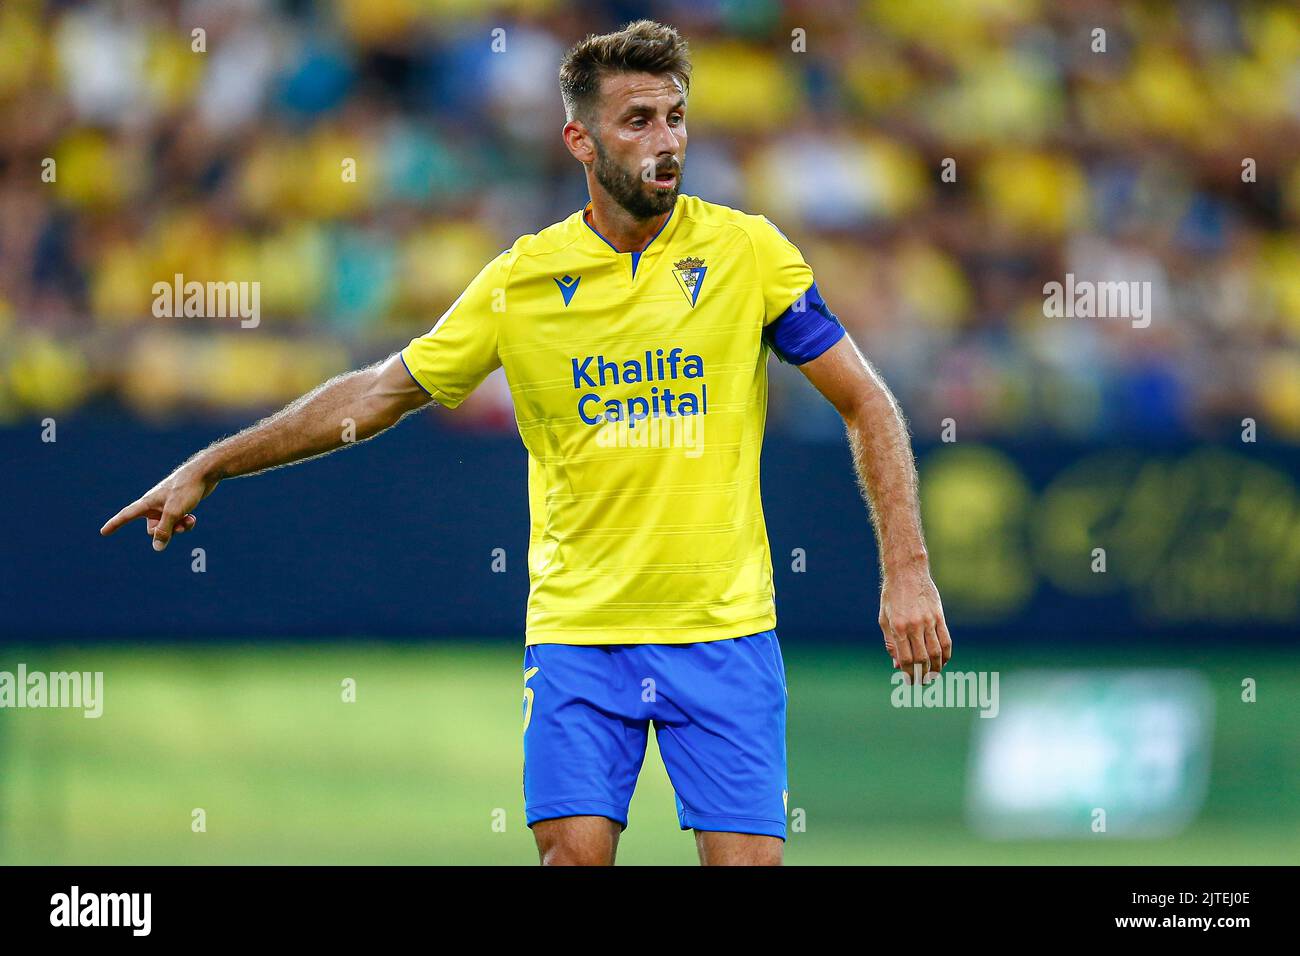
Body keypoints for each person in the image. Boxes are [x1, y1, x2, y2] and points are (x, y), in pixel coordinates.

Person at [101, 20, 952, 866]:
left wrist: (908, 570)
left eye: (676, 116)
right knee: (571, 857)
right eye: (638, 121)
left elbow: (866, 403)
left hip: (724, 629)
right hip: (581, 629)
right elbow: (378, 392)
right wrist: (214, 462)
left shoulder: (748, 252)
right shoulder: (522, 281)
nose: (666, 142)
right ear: (580, 140)